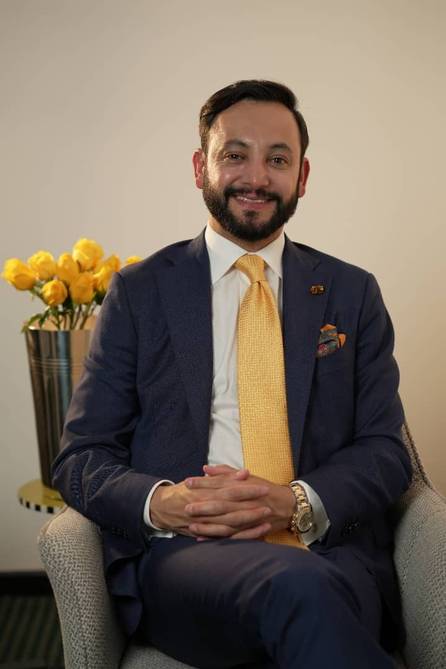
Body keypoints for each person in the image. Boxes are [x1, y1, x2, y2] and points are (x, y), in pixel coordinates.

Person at [52, 80, 412, 669]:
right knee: (302, 592)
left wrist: (294, 503)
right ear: (201, 167)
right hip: (190, 557)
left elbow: (386, 451)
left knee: (313, 593)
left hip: (327, 548)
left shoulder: (352, 292)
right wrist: (165, 504)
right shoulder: (141, 292)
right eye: (235, 154)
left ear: (302, 176)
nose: (257, 177)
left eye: (278, 160)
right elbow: (81, 458)